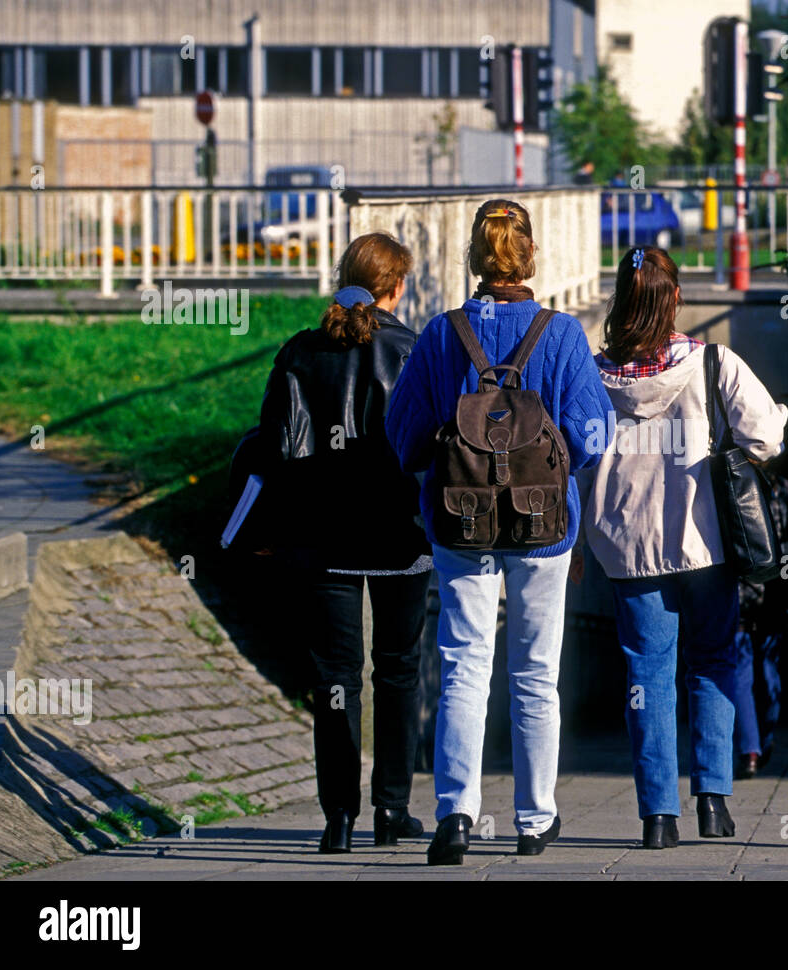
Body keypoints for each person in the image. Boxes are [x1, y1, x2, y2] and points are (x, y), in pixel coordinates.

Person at [386, 199, 611, 865]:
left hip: (461, 524)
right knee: (537, 672)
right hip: (544, 526)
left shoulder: (440, 334)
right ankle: (534, 820)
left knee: (463, 665)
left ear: (476, 260)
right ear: (529, 255)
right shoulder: (563, 334)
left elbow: (404, 439)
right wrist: (551, 460)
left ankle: (454, 815)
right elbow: (595, 436)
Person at [579, 245, 788, 849]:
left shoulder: (595, 375)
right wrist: (779, 413)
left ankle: (657, 818)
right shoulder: (712, 363)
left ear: (623, 298)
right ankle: (715, 802)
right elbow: (765, 439)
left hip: (628, 548)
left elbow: (580, 462)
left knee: (647, 674)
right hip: (706, 547)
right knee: (714, 662)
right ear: (674, 298)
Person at [254, 231, 432, 854]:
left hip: (319, 538)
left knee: (335, 677)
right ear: (396, 287)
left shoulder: (300, 352)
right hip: (399, 536)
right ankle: (392, 809)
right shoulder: (412, 349)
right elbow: (430, 446)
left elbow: (274, 446)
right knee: (399, 670)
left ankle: (338, 819)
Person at [732, 468, 788, 779]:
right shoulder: (786, 489)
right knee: (769, 671)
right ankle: (764, 738)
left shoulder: (730, 482)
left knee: (741, 673)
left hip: (740, 588)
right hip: (776, 590)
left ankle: (751, 750)